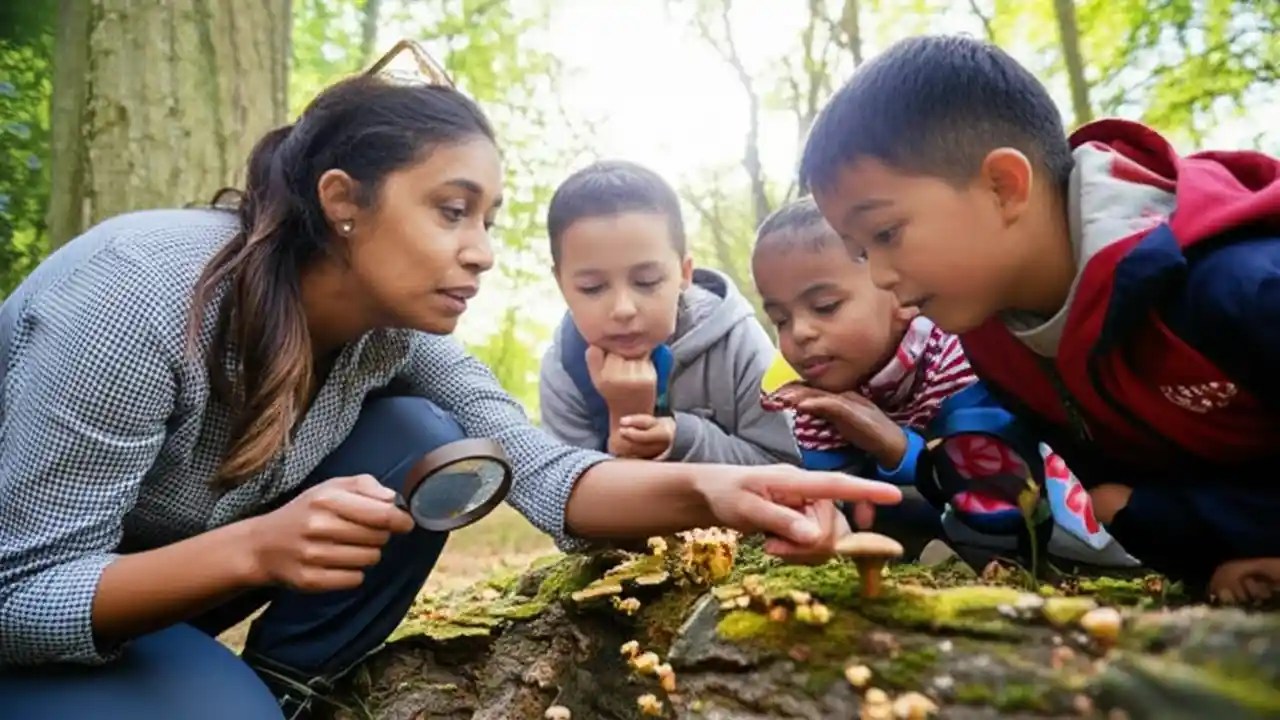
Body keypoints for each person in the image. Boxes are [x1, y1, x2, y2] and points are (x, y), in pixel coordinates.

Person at [0, 71, 903, 719]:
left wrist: (719, 491)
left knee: (425, 435)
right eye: (451, 210)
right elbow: (18, 594)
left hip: (158, 603)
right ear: (344, 200)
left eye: (490, 220)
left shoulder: (395, 335)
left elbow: (544, 473)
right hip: (36, 609)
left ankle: (289, 689)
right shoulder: (141, 297)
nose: (482, 250)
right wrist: (256, 549)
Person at [799, 33, 1280, 601]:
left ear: (1005, 187)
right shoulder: (995, 339)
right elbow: (1113, 495)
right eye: (860, 253)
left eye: (885, 234)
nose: (878, 274)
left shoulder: (1239, 284)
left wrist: (1178, 519)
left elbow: (1133, 502)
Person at [751, 197, 1134, 568]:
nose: (800, 333)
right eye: (781, 319)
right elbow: (835, 502)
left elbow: (998, 482)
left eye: (825, 307)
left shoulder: (955, 361)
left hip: (1052, 530)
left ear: (900, 295)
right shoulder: (814, 397)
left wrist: (896, 449)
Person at [539, 160, 798, 465]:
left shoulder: (736, 342)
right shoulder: (564, 369)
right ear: (561, 284)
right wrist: (626, 418)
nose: (623, 309)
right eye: (592, 287)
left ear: (684, 274)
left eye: (646, 282)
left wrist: (684, 438)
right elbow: (568, 499)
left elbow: (786, 466)